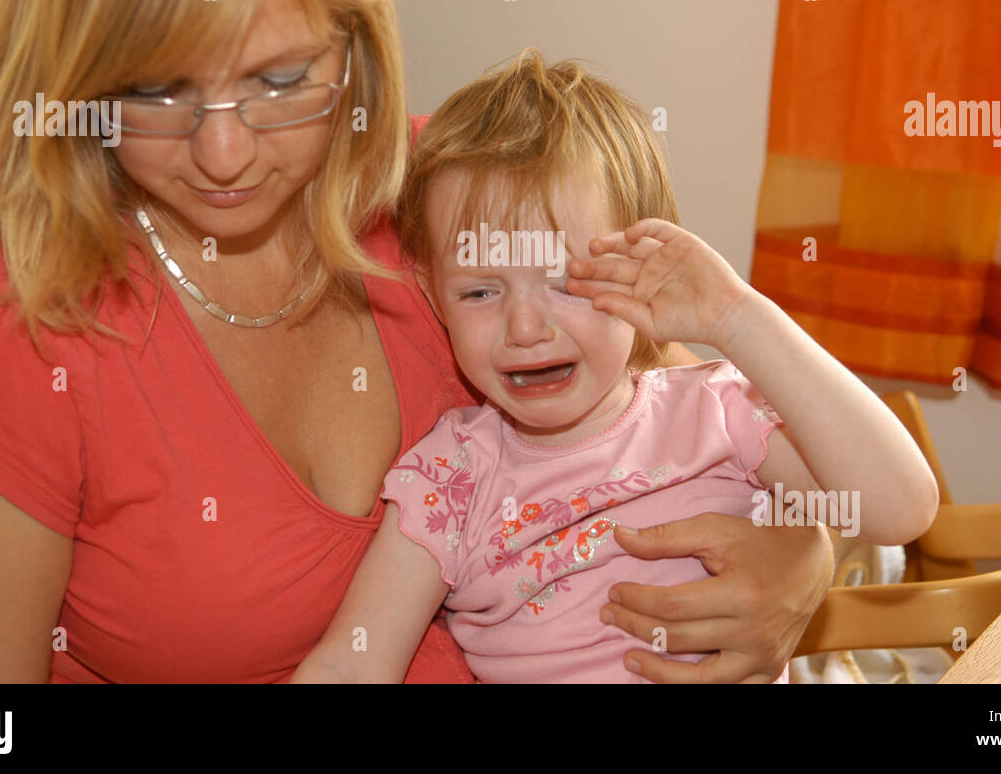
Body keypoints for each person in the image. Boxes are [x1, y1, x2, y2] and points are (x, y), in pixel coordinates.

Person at [0, 0, 835, 684]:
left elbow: (673, 412)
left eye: (281, 77)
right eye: (156, 87)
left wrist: (800, 561)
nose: (224, 152)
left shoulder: (447, 201)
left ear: (358, 39)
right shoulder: (18, 327)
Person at [290, 53, 940, 684]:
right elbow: (353, 663)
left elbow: (900, 510)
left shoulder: (714, 411)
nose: (524, 328)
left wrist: (739, 320)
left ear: (642, 273)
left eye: (567, 284)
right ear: (433, 295)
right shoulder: (448, 480)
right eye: (480, 293)